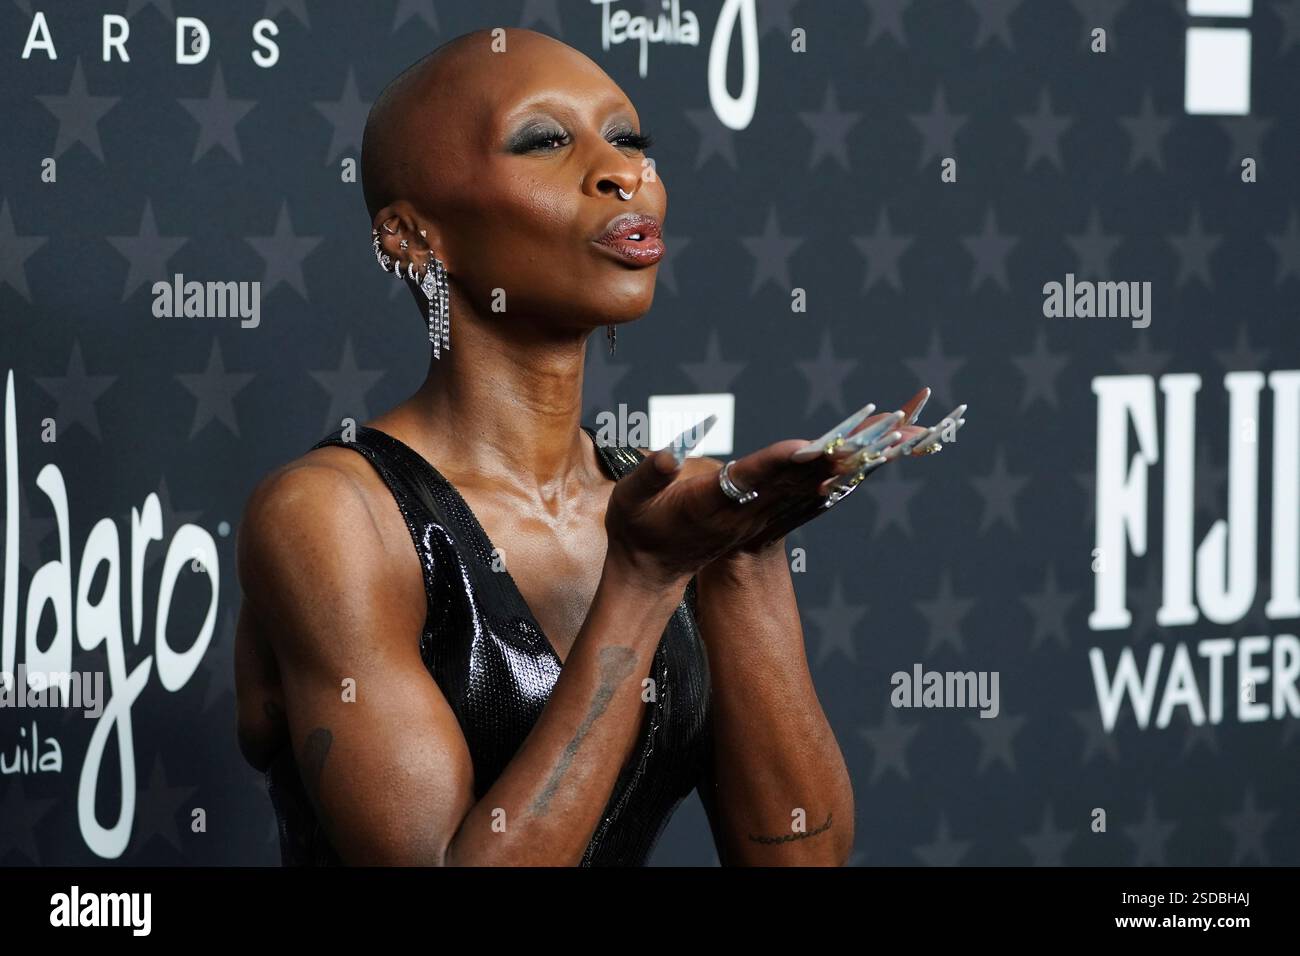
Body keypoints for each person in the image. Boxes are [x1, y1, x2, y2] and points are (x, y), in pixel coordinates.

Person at [233, 27, 963, 866]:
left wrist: (742, 556)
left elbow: (797, 859)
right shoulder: (333, 518)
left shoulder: (666, 509)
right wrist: (644, 581)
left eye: (629, 139)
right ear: (410, 237)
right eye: (545, 141)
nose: (624, 175)